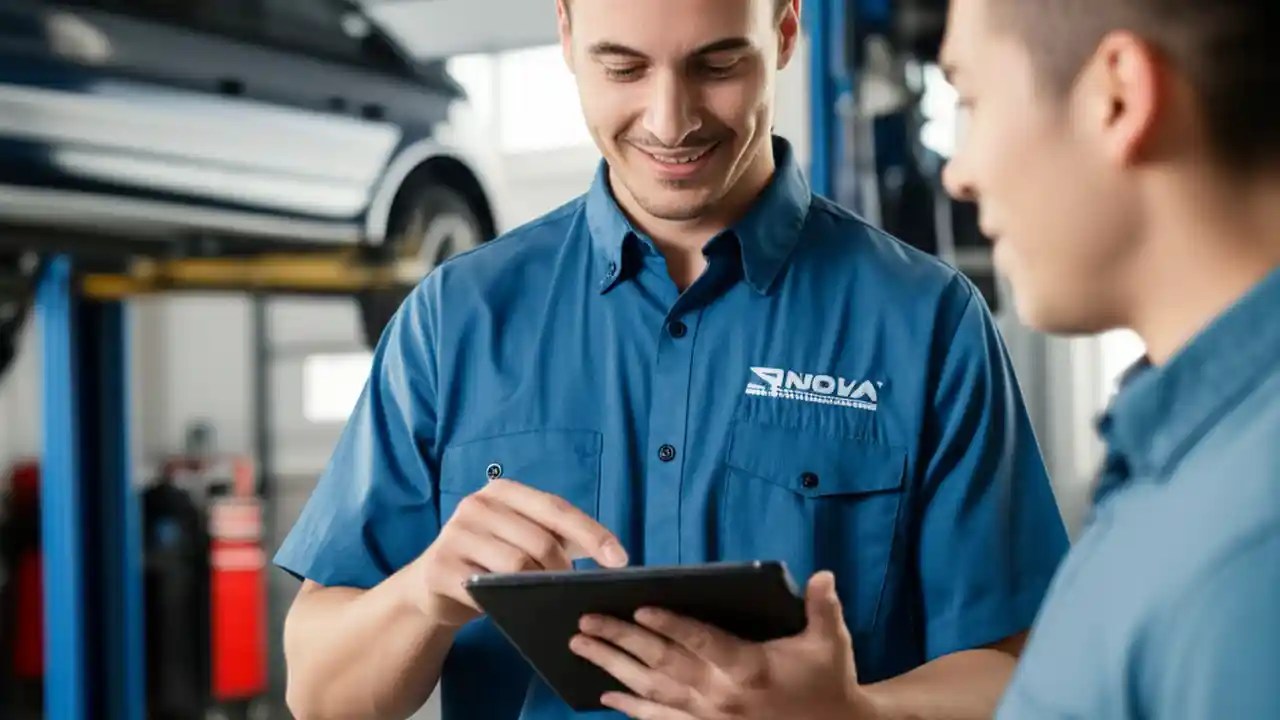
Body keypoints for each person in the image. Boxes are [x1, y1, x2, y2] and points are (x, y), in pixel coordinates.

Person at [275, 1, 1069, 718]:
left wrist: (850, 716)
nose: (670, 119)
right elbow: (320, 695)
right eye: (623, 66)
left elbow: (1020, 675)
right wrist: (425, 593)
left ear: (785, 30)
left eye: (717, 64)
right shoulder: (454, 323)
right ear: (566, 35)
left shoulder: (925, 323)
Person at [939, 0, 1280, 718]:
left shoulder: (1244, 563)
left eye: (971, 100)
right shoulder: (1194, 458)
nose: (958, 174)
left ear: (1117, 97)